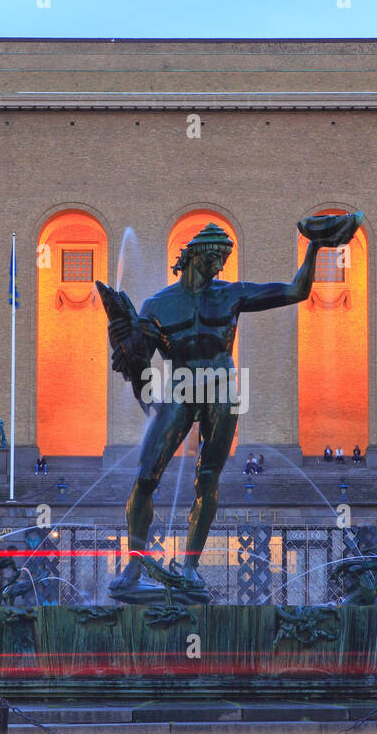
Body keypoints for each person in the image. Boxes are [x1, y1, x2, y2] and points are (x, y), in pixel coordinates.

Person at [101, 216, 358, 597]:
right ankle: (135, 565)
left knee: (207, 478)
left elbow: (295, 290)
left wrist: (316, 246)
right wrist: (125, 342)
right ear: (196, 256)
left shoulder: (231, 294)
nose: (220, 267)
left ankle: (189, 567)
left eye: (224, 259)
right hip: (182, 389)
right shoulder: (158, 305)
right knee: (145, 476)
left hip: (223, 387)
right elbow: (140, 365)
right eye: (215, 259)